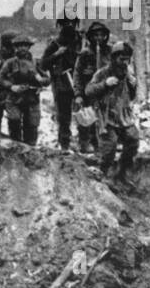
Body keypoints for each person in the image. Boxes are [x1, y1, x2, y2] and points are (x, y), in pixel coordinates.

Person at [85, 40, 140, 185]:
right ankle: (102, 176)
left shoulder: (128, 73)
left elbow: (132, 96)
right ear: (114, 58)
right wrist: (105, 84)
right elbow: (88, 91)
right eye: (121, 59)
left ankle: (122, 173)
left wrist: (133, 85)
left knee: (133, 141)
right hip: (107, 117)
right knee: (109, 148)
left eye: (127, 59)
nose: (124, 62)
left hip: (124, 116)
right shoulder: (102, 73)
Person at [0, 35, 49, 144]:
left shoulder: (35, 62)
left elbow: (47, 80)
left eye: (25, 46)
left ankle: (31, 151)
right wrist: (11, 86)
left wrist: (41, 80)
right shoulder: (10, 63)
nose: (22, 48)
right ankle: (16, 150)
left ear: (29, 47)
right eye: (19, 46)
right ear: (15, 48)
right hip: (14, 98)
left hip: (32, 98)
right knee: (14, 122)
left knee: (32, 126)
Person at [40, 16, 82, 150]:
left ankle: (85, 142)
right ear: (60, 25)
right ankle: (65, 144)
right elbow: (43, 64)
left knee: (86, 112)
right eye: (65, 23)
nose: (69, 25)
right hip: (62, 83)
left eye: (72, 23)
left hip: (80, 81)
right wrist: (57, 54)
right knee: (64, 116)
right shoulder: (55, 44)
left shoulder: (82, 41)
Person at [74, 21, 112, 153]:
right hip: (88, 92)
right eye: (95, 36)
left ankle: (107, 144)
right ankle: (86, 144)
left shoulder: (110, 52)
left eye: (102, 35)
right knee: (88, 118)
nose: (99, 38)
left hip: (106, 91)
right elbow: (77, 75)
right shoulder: (85, 54)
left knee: (108, 118)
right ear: (91, 37)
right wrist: (78, 94)